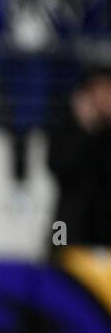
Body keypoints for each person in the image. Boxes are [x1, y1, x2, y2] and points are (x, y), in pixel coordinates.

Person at [48, 61, 111, 246]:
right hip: (73, 235)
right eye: (98, 89)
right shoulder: (68, 126)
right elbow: (60, 168)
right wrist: (86, 129)